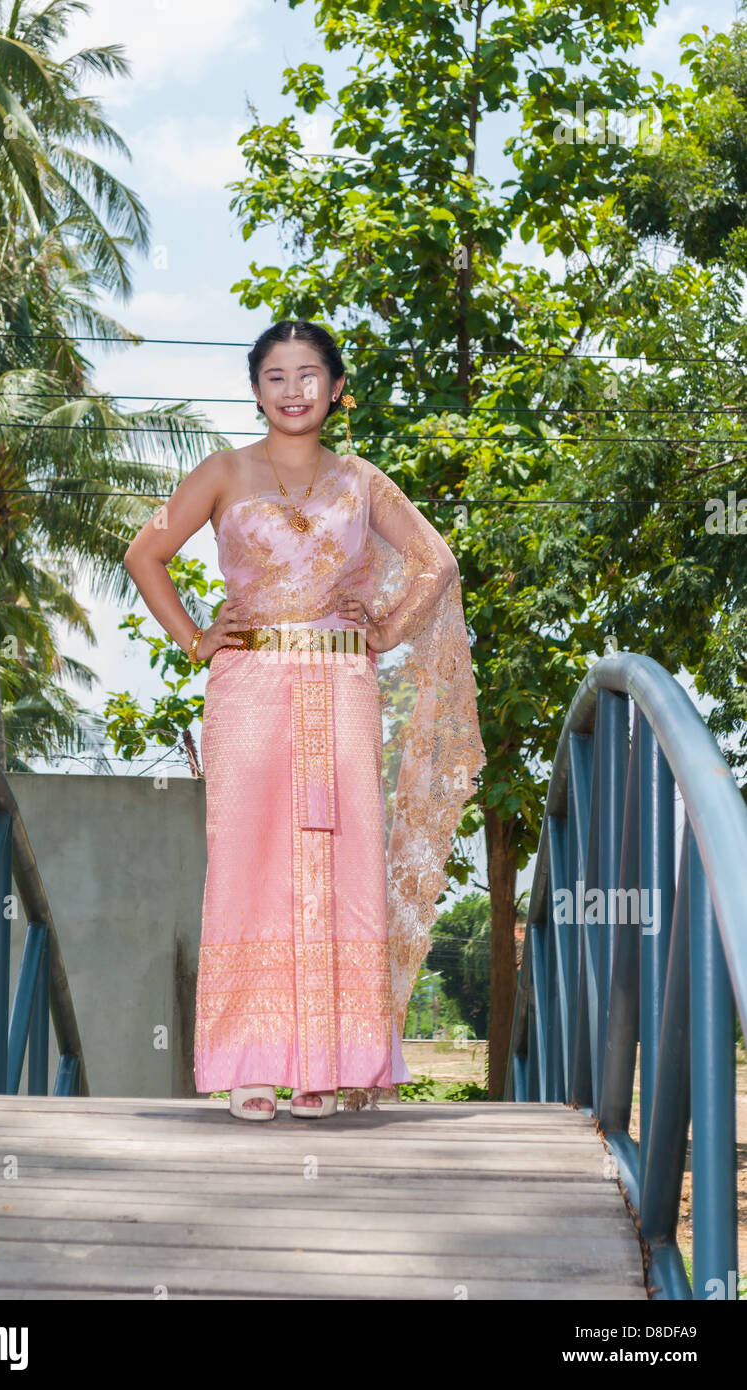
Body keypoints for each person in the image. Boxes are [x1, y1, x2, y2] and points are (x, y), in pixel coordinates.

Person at [123, 320, 486, 1121]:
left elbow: (438, 561)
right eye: (277, 377)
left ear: (335, 388)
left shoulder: (361, 480)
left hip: (341, 685)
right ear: (256, 391)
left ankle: (329, 1062)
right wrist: (192, 637)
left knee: (342, 858)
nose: (293, 391)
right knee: (248, 855)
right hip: (247, 685)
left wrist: (387, 628)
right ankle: (251, 1063)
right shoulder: (220, 473)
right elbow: (143, 555)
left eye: (309, 375)